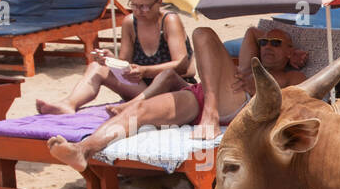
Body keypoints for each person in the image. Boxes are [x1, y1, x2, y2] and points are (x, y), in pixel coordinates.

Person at [45, 25, 307, 173]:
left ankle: (211, 113)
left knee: (203, 33)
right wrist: (262, 52)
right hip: (206, 96)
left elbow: (293, 101)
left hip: (237, 102)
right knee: (140, 113)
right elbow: (251, 31)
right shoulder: (250, 64)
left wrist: (267, 78)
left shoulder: (292, 77)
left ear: (290, 52)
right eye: (266, 43)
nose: (268, 47)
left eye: (276, 43)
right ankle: (84, 149)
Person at [36, 0, 192, 115]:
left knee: (165, 75)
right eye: (134, 5)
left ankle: (131, 106)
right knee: (96, 68)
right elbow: (125, 64)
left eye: (144, 6)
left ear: (159, 2)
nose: (138, 11)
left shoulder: (169, 21)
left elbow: (181, 65)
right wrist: (111, 61)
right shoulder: (130, 22)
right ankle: (68, 104)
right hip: (142, 88)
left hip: (171, 89)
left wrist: (146, 70)